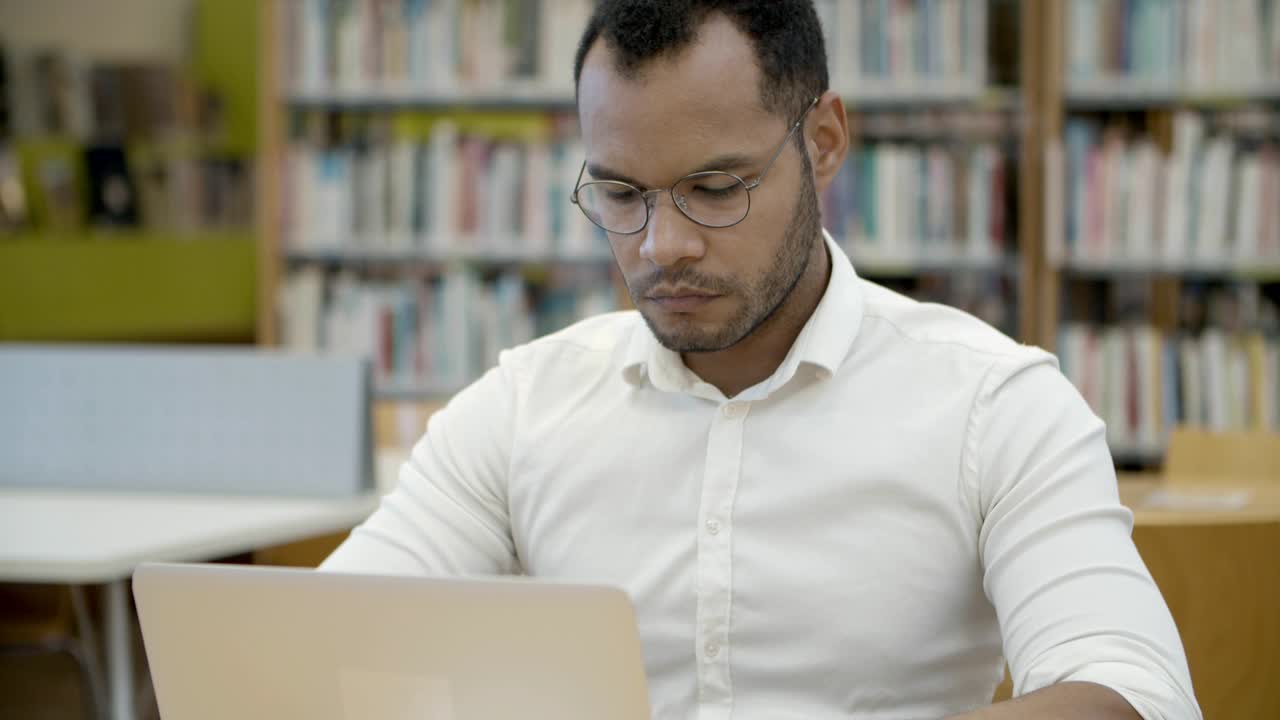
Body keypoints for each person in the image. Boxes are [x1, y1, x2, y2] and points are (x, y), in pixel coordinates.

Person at [321, 2, 1200, 718]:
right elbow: (323, 644)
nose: (663, 245)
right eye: (621, 194)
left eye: (714, 189)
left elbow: (1134, 691)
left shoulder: (993, 404)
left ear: (823, 141)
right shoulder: (522, 405)